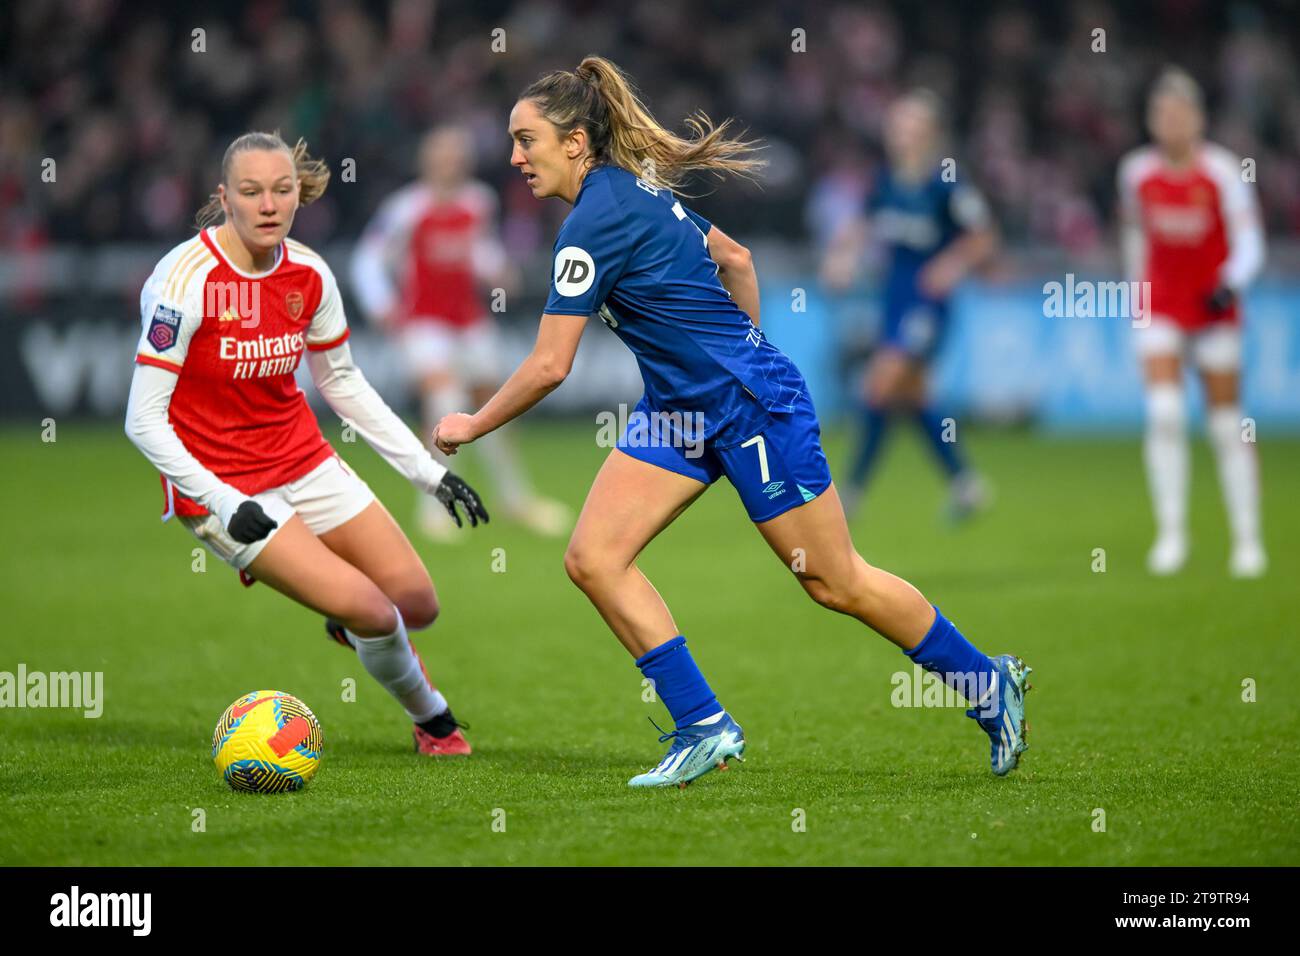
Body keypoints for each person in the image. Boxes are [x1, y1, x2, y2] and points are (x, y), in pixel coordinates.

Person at [433, 57, 1031, 788]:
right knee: (593, 558)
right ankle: (704, 726)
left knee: (836, 583)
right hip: (681, 411)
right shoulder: (636, 191)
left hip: (747, 407)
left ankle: (986, 682)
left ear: (576, 143)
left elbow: (551, 365)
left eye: (526, 140)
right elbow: (735, 258)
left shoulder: (590, 225)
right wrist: (746, 346)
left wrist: (472, 423)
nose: (515, 157)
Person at [125, 131, 489, 757]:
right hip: (222, 484)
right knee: (376, 613)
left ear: (298, 196)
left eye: (281, 190)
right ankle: (435, 722)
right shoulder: (185, 281)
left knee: (416, 603)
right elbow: (142, 418)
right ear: (224, 198)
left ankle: (346, 618)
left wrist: (428, 474)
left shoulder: (309, 273)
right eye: (250, 191)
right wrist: (217, 499)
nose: (268, 205)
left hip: (302, 457)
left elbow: (342, 383)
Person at [351, 125, 570, 541]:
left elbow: (479, 248)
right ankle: (437, 504)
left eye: (456, 155)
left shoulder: (477, 202)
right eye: (442, 155)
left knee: (496, 407)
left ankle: (515, 497)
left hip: (469, 321)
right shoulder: (405, 209)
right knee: (445, 400)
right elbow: (368, 259)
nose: (450, 163)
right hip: (423, 323)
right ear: (427, 161)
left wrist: (497, 270)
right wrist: (381, 306)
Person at [821, 89, 998, 522]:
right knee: (911, 397)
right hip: (894, 299)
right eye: (898, 127)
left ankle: (852, 493)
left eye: (913, 128)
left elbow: (984, 237)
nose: (903, 136)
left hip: (927, 303)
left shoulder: (947, 183)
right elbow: (860, 227)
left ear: (931, 134)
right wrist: (840, 259)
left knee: (879, 384)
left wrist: (950, 264)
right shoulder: (884, 182)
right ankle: (966, 484)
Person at [1118, 68, 1266, 577]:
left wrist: (1231, 282)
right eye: (1163, 114)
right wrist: (1138, 297)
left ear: (1198, 119)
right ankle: (1172, 536)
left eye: (1181, 114)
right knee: (1164, 414)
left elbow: (1250, 241)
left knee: (1227, 425)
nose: (1172, 123)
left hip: (1213, 307)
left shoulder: (1223, 172)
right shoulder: (1136, 172)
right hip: (1161, 305)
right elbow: (1136, 239)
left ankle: (1247, 539)